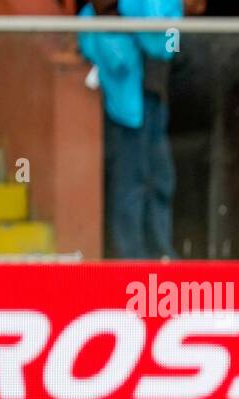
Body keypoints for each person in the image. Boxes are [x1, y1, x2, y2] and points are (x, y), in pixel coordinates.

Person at [78, 0, 183, 259]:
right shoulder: (90, 19)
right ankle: (131, 259)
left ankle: (161, 253)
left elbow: (166, 44)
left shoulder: (140, 7)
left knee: (161, 178)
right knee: (131, 183)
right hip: (126, 112)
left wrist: (134, 21)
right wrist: (123, 26)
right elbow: (120, 62)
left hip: (155, 99)